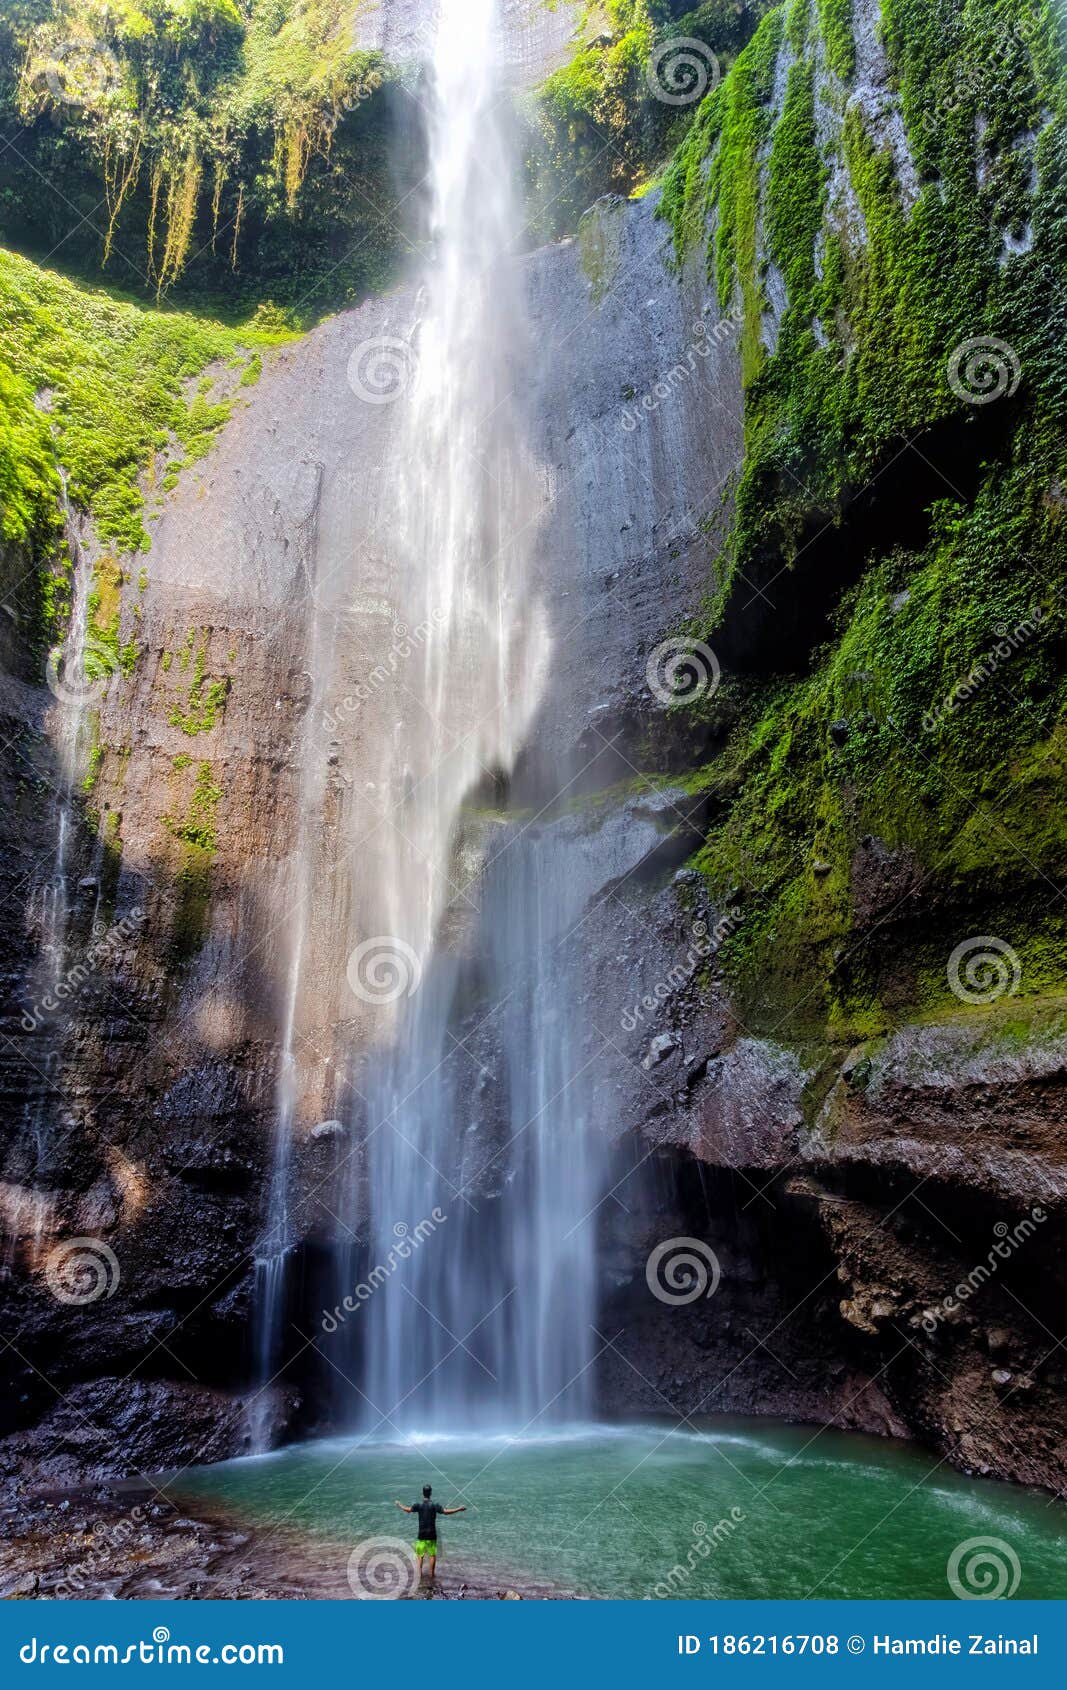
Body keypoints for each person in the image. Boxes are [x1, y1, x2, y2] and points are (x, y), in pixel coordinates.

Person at [394, 1484, 466, 1579]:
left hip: (421, 1535)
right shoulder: (435, 1505)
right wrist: (459, 1509)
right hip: (432, 1535)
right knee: (432, 1555)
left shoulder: (418, 1505)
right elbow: (446, 1512)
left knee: (420, 1555)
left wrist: (399, 1504)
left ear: (423, 1493)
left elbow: (407, 1510)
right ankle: (431, 1575)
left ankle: (419, 1575)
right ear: (430, 1493)